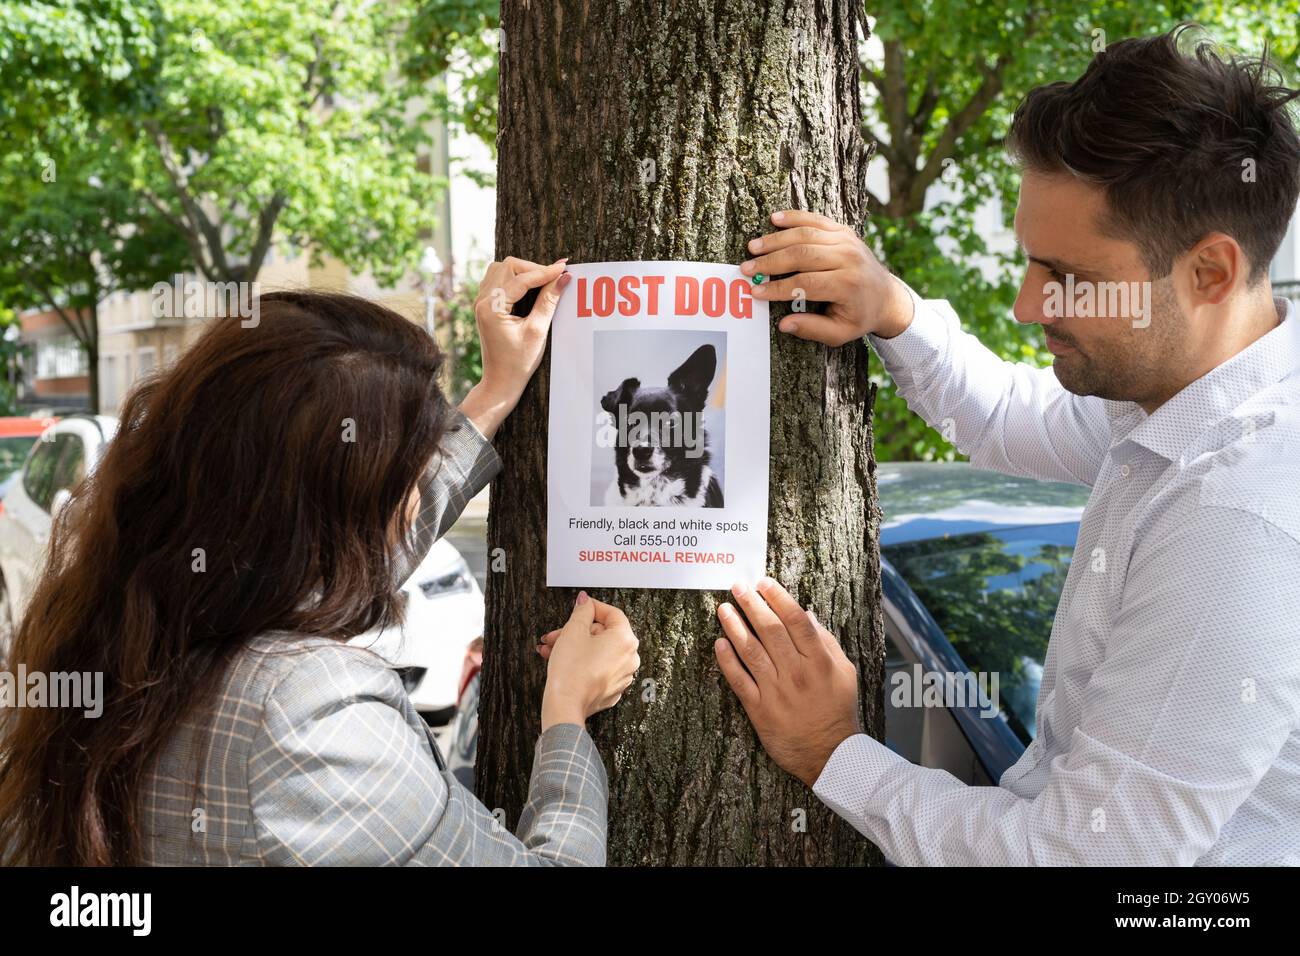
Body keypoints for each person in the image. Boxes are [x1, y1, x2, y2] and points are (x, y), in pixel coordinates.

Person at [714, 26, 1300, 865]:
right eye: (1032, 264)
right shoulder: (1190, 392)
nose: (1030, 306)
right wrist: (892, 308)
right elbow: (1012, 416)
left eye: (1069, 276)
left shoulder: (1239, 519)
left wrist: (834, 755)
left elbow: (1079, 858)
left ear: (1208, 272)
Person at [0, 258, 639, 866]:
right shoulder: (311, 718)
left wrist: (496, 390)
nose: (417, 493)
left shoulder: (124, 618)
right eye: (403, 474)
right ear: (342, 509)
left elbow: (335, 569)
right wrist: (566, 713)